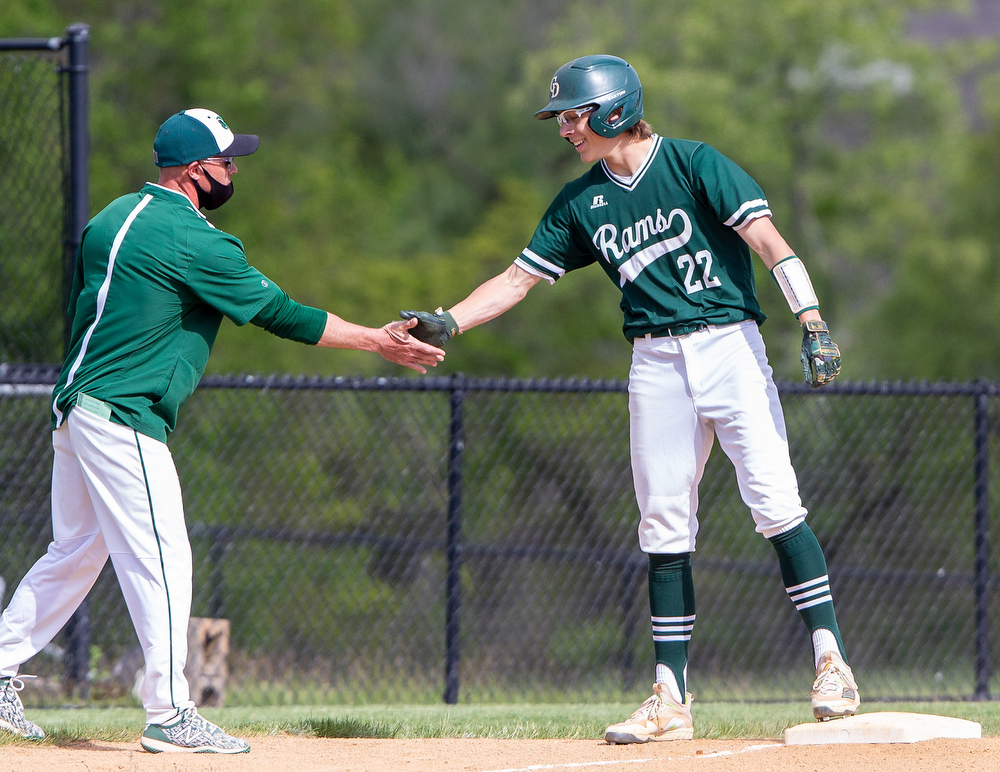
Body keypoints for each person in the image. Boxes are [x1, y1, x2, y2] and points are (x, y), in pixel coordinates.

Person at [401, 55, 858, 744]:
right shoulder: (583, 201)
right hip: (654, 359)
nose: (566, 129)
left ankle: (831, 661)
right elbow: (517, 279)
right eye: (563, 117)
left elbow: (768, 241)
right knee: (664, 523)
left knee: (774, 500)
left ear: (615, 108)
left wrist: (812, 317)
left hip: (730, 346)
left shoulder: (696, 163)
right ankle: (669, 696)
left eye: (575, 114)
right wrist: (452, 321)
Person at [0, 108, 444, 753]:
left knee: (76, 551)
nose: (235, 170)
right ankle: (171, 711)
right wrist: (377, 341)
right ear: (193, 170)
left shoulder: (110, 218)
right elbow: (280, 313)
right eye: (226, 161)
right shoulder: (195, 239)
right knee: (163, 557)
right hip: (123, 415)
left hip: (76, 406)